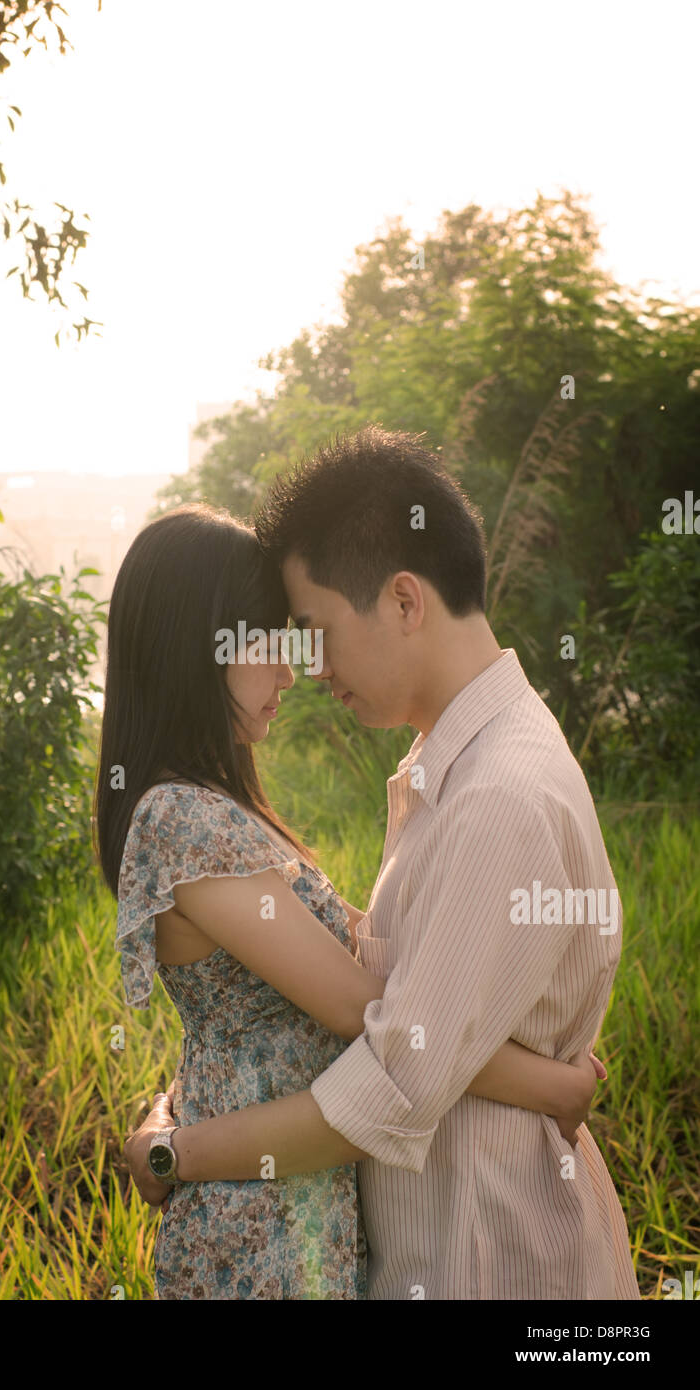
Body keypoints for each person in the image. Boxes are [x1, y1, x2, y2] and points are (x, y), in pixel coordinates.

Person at [126, 425, 641, 1301]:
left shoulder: (495, 798)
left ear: (404, 601)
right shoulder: (450, 767)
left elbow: (397, 1078)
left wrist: (175, 1151)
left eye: (317, 631)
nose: (309, 667)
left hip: (485, 1256)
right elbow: (388, 1005)